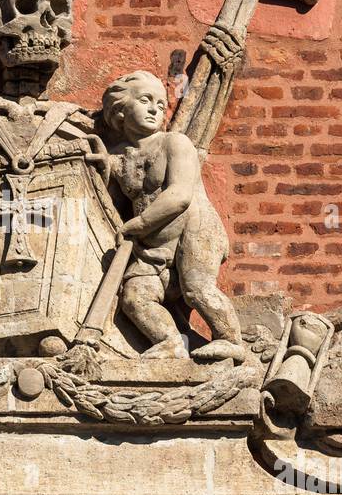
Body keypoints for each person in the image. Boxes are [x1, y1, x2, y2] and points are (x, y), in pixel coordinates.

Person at [101, 70, 244, 361]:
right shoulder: (116, 156)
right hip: (153, 247)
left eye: (160, 103)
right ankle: (169, 341)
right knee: (134, 298)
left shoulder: (175, 143)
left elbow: (180, 195)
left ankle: (230, 340)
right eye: (145, 100)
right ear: (119, 111)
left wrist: (138, 224)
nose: (155, 108)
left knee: (196, 288)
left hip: (195, 230)